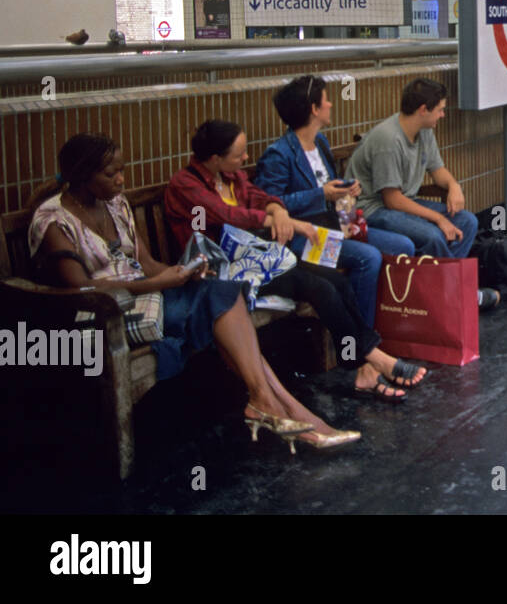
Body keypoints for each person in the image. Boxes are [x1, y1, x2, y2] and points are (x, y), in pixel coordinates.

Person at [30, 133, 357, 451]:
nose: (121, 180)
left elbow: (148, 264)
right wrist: (160, 283)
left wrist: (184, 272)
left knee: (221, 293)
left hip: (146, 299)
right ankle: (280, 406)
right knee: (221, 300)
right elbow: (80, 288)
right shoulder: (54, 219)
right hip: (102, 315)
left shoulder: (115, 205)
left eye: (122, 170)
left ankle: (272, 403)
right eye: (111, 173)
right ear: (82, 175)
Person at [165, 120, 426, 404]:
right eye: (239, 154)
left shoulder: (232, 177)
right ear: (215, 158)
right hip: (220, 277)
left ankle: (364, 365)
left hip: (256, 262)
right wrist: (287, 222)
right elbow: (225, 215)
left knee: (336, 280)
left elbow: (263, 197)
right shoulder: (185, 185)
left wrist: (277, 211)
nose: (246, 158)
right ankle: (371, 358)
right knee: (318, 287)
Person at [255, 75, 423, 326]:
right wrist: (321, 194)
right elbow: (270, 202)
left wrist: (346, 192)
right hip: (304, 237)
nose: (331, 104)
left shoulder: (320, 142)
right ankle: (362, 340)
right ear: (314, 109)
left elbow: (330, 187)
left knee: (404, 247)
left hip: (335, 224)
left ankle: (391, 325)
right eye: (326, 100)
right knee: (368, 258)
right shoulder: (279, 154)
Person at [348, 78, 480, 263]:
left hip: (406, 202)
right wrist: (438, 219)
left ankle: (446, 282)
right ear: (423, 110)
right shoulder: (388, 140)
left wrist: (453, 185)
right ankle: (448, 284)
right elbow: (392, 200)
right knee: (433, 236)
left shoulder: (424, 129)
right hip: (374, 210)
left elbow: (437, 169)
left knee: (468, 221)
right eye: (440, 110)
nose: (443, 114)